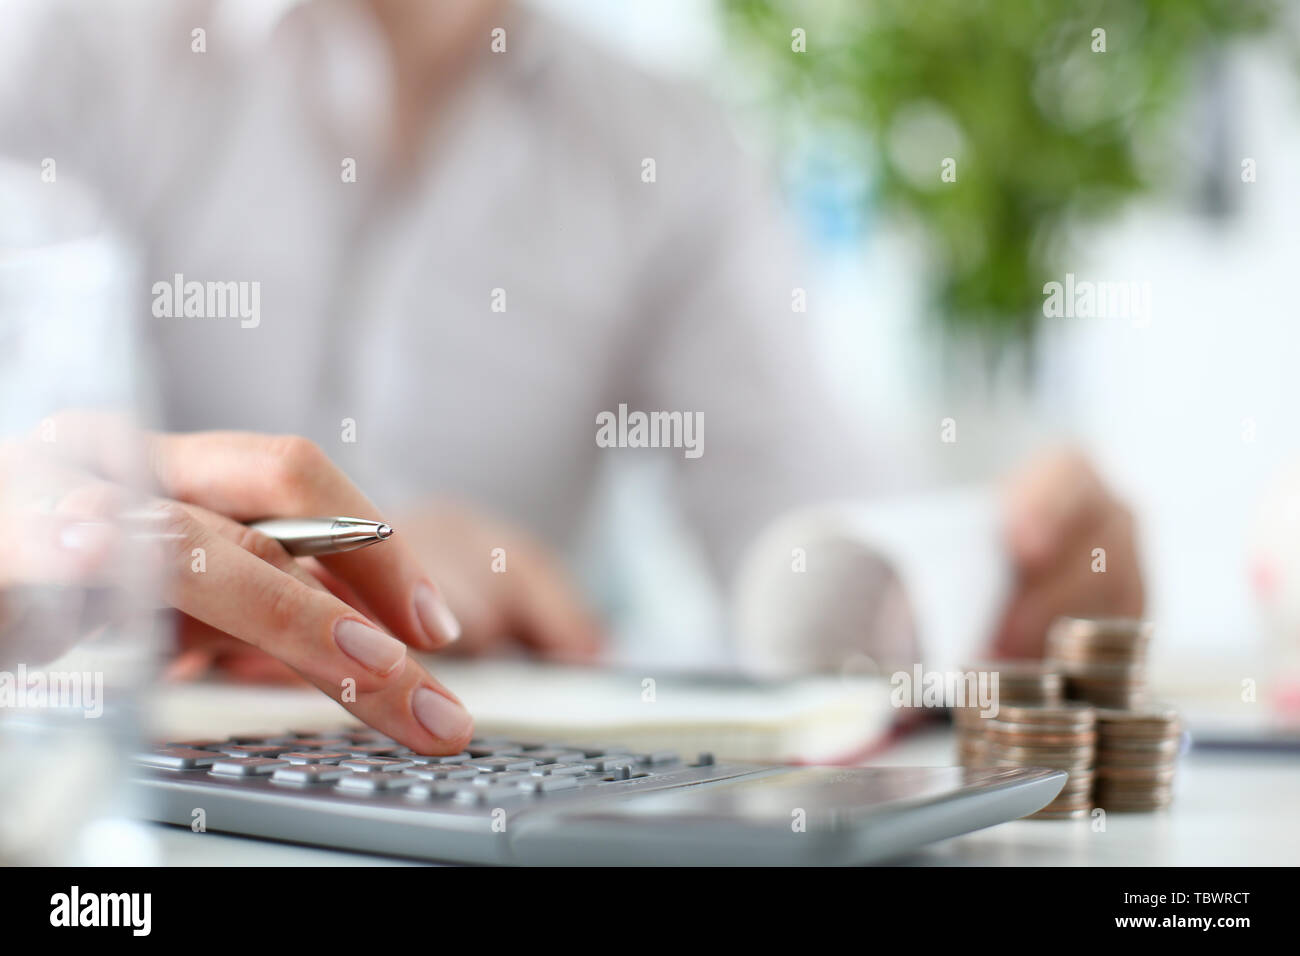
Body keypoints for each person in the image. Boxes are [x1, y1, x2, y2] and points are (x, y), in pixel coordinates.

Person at [0, 0, 1142, 750]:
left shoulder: (668, 149)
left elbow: (810, 555)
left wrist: (994, 577)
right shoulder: (65, 53)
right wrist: (82, 539)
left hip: (456, 794)